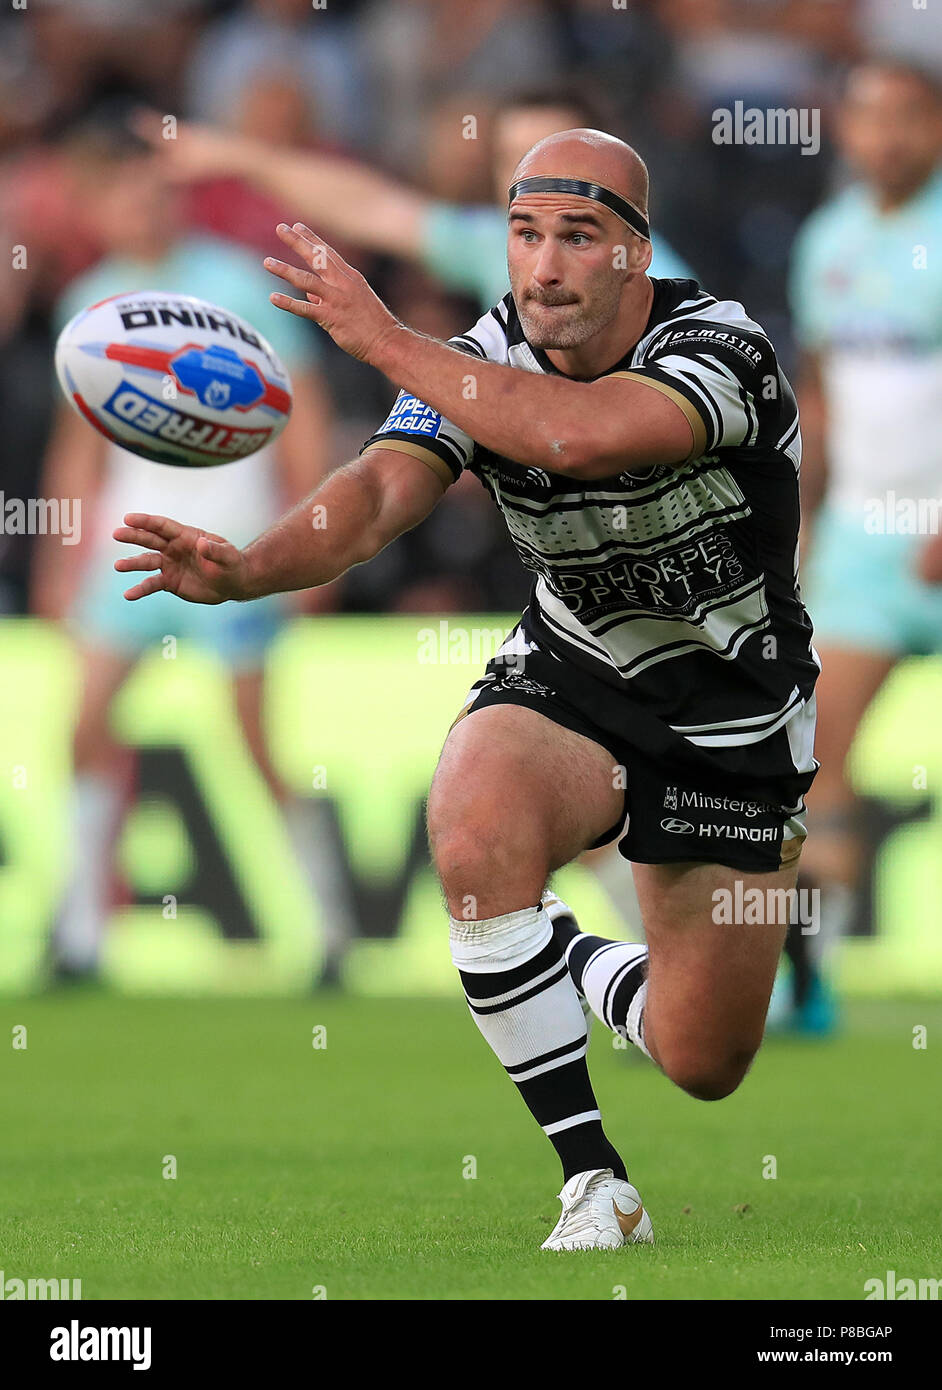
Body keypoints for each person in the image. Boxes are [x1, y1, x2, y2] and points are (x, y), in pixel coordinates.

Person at [114, 128, 818, 1250]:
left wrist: (386, 339)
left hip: (729, 717)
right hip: (573, 673)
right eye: (525, 234)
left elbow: (578, 439)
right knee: (475, 825)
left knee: (701, 1059)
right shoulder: (481, 349)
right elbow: (381, 497)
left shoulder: (719, 349)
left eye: (578, 237)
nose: (543, 267)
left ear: (636, 254)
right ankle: (596, 1184)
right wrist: (249, 566)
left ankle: (567, 952)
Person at [32, 116, 351, 980]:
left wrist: (312, 534)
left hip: (230, 549)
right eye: (121, 195)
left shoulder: (232, 287)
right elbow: (80, 444)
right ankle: (79, 938)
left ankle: (330, 934)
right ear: (94, 209)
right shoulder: (84, 303)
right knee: (87, 729)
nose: (141, 207)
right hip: (125, 553)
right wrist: (61, 555)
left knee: (251, 740)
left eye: (152, 189)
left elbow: (303, 411)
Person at [787, 60, 942, 1031]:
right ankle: (814, 979)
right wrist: (800, 527)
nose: (883, 137)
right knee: (814, 758)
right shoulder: (827, 241)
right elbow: (820, 398)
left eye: (905, 117)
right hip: (863, 543)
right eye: (865, 118)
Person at [145, 88, 695, 313]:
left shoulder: (649, 283)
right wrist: (243, 158)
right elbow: (370, 207)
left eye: (551, 155)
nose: (531, 176)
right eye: (513, 157)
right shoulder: (488, 243)